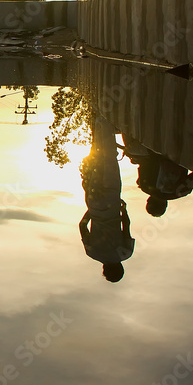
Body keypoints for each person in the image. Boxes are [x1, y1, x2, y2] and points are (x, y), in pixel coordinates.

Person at [79, 115, 134, 282]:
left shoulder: (125, 253)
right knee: (96, 161)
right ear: (104, 269)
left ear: (120, 267)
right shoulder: (92, 253)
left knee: (109, 159)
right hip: (95, 204)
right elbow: (82, 226)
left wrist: (123, 210)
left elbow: (126, 226)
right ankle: (97, 124)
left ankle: (106, 122)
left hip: (112, 203)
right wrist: (91, 211)